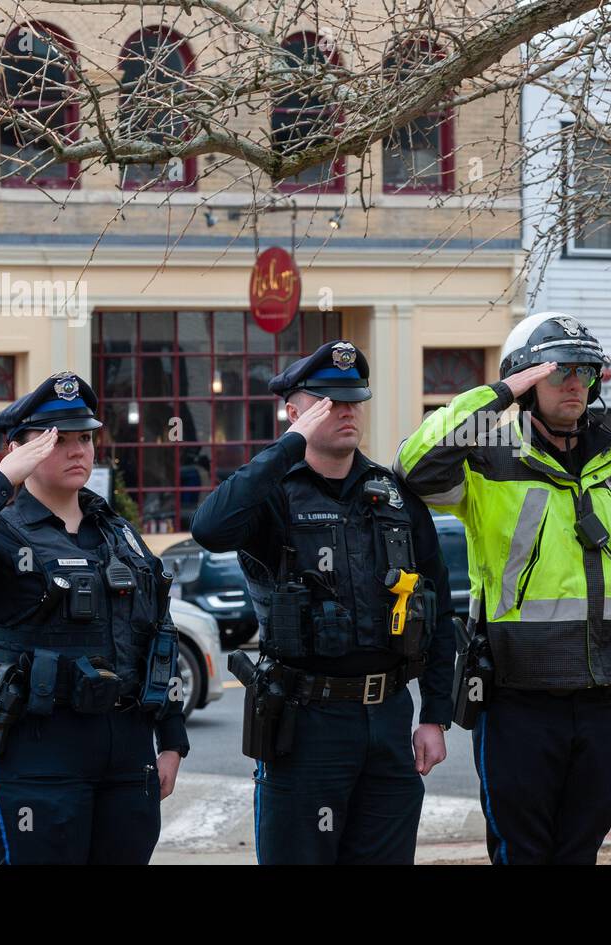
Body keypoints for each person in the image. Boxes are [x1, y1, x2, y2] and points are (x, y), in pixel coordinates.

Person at [396, 312, 611, 865]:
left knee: (580, 849)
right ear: (527, 379)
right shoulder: (486, 460)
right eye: (560, 370)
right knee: (523, 852)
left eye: (586, 371)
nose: (576, 383)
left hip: (600, 701)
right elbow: (413, 464)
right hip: (517, 700)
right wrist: (500, 394)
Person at [191, 340, 454, 865]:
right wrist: (289, 445)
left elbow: (440, 608)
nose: (347, 411)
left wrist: (436, 714)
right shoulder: (272, 493)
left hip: (387, 715)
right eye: (329, 402)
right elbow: (210, 527)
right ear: (294, 411)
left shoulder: (394, 494)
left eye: (354, 400)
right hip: (304, 721)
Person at [0, 372, 188, 865]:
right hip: (35, 753)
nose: (77, 451)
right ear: (21, 450)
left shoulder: (117, 533)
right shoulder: (0, 532)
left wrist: (171, 738)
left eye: (84, 438)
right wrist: (2, 478)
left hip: (126, 756)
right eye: (56, 440)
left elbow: (158, 633)